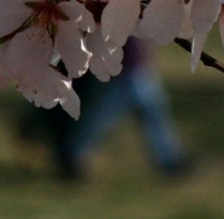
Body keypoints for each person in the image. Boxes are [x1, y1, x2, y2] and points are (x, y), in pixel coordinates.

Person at [19, 36, 189, 180]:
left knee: (148, 114)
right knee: (101, 119)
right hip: (124, 73)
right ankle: (71, 153)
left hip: (134, 70)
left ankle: (169, 159)